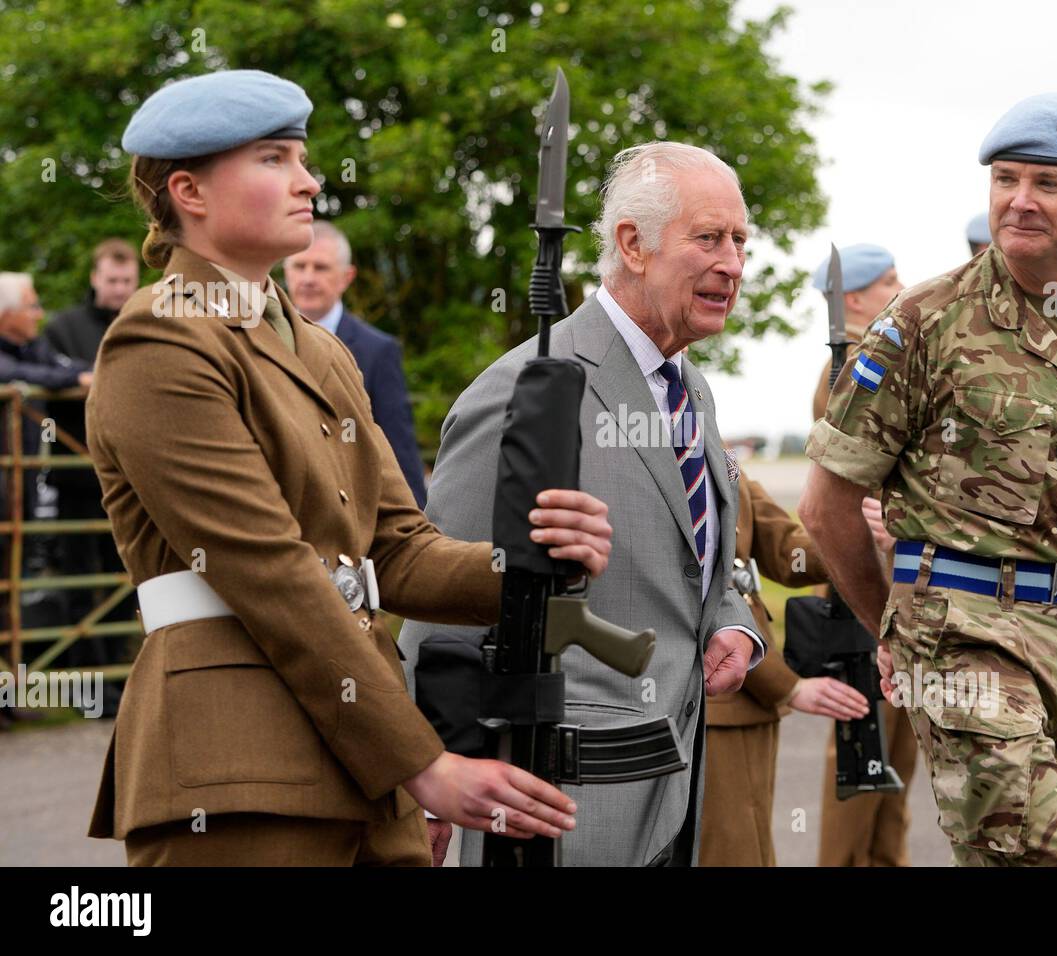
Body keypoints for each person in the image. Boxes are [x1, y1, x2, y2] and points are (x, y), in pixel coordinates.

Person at [85, 69, 613, 866]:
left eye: (302, 157)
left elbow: (397, 550)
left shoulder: (321, 348)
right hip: (237, 772)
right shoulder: (161, 338)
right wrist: (423, 761)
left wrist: (530, 563)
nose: (309, 181)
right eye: (274, 159)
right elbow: (268, 569)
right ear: (189, 192)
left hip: (362, 766)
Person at [801, 93, 1057, 866]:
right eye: (1005, 179)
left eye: (1047, 184)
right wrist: (891, 627)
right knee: (1041, 857)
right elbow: (826, 507)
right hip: (961, 635)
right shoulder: (922, 323)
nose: (1019, 202)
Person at [401, 141, 765, 867]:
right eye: (708, 238)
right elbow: (438, 597)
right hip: (559, 806)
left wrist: (733, 625)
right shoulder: (528, 388)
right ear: (632, 244)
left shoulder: (690, 389)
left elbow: (696, 561)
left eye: (740, 241)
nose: (732, 263)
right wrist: (427, 778)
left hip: (676, 787)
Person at [808, 244, 918, 867]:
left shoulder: (884, 355)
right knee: (861, 757)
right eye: (890, 282)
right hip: (866, 588)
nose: (902, 290)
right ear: (852, 299)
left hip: (896, 582)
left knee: (895, 760)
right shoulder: (849, 364)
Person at [699, 469, 868, 867]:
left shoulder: (709, 444)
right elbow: (699, 590)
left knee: (754, 845)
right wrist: (786, 685)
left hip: (747, 707)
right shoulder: (666, 447)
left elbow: (789, 552)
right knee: (733, 853)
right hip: (720, 703)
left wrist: (860, 538)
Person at [42, 239, 142, 711]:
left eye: (126, 280)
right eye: (111, 280)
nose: (119, 288)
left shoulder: (145, 320)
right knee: (81, 580)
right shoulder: (63, 327)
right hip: (78, 478)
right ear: (95, 278)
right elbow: (51, 372)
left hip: (131, 477)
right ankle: (92, 686)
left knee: (129, 578)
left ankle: (119, 675)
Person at [0, 272, 93, 729]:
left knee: (10, 593)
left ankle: (7, 697)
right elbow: (24, 374)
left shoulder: (30, 348)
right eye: (32, 307)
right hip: (7, 493)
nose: (40, 315)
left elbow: (55, 367)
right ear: (6, 316)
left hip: (15, 497)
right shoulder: (11, 358)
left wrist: (71, 373)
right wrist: (73, 375)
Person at [284, 222, 428, 507]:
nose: (308, 278)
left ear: (346, 277)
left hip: (354, 515)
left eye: (321, 268)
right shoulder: (258, 337)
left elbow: (398, 447)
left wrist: (420, 525)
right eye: (300, 266)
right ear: (286, 271)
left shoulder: (378, 351)